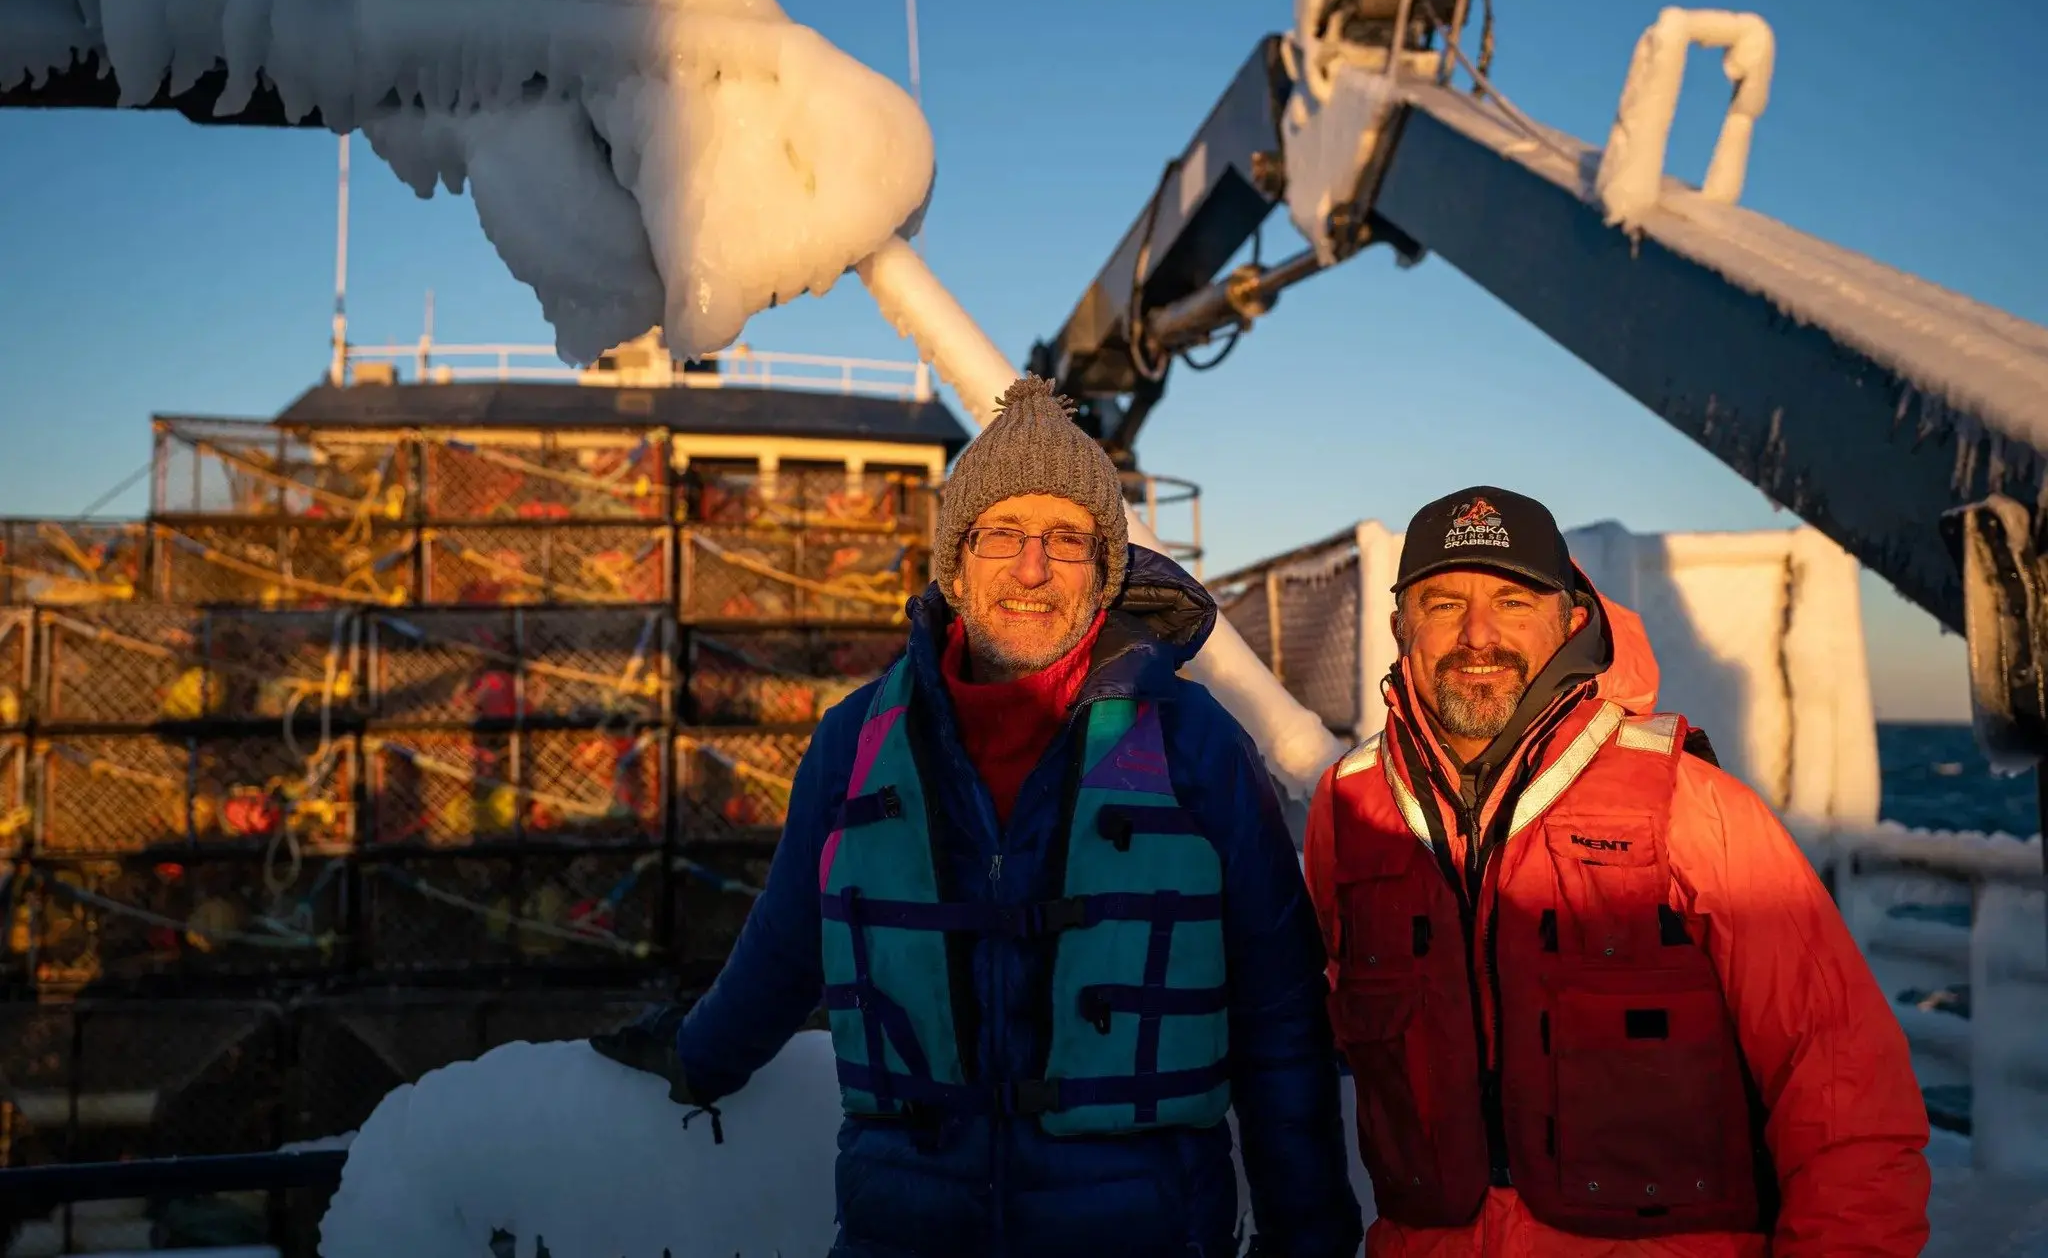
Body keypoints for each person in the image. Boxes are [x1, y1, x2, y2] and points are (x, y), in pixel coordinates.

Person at [596, 376, 1362, 1258]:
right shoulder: (855, 742)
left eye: (1066, 538)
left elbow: (1279, 1009)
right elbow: (788, 944)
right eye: (1000, 532)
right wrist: (695, 1058)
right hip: (908, 1232)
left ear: (1105, 570)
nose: (1031, 568)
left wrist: (1310, 1237)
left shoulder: (1198, 748)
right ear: (955, 565)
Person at [1303, 485, 1931, 1258]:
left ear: (1569, 620)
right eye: (1441, 603)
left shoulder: (1689, 805)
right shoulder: (1350, 811)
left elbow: (1846, 1093)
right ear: (1401, 626)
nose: (1477, 634)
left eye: (1512, 600)